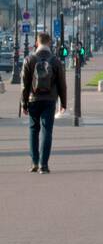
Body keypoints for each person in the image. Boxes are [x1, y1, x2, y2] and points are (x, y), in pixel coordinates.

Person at [21, 32, 67, 173]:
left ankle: (34, 162)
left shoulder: (29, 59)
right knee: (47, 131)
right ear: (49, 43)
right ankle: (43, 165)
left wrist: (24, 103)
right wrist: (63, 103)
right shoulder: (55, 61)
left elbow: (24, 84)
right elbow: (62, 84)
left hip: (33, 99)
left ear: (37, 43)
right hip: (49, 100)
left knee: (33, 130)